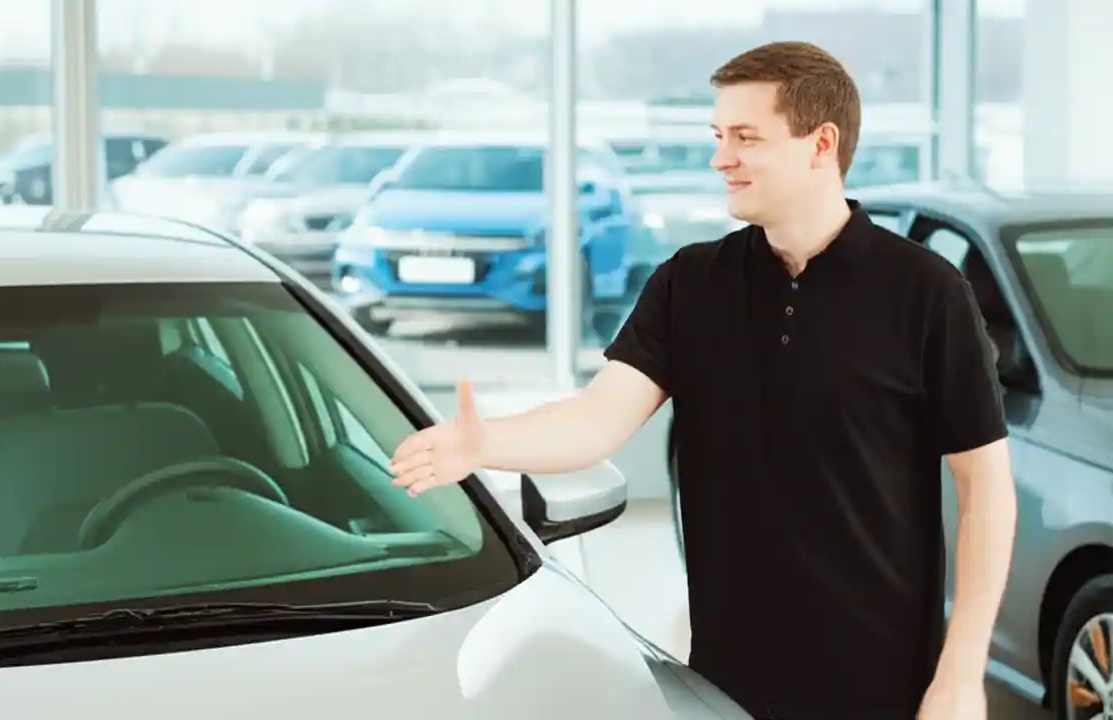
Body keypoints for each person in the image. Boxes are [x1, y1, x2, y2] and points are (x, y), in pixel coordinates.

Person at [388, 41, 1017, 720]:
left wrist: (959, 676)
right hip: (724, 684)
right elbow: (597, 420)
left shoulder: (927, 294)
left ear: (821, 143)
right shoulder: (689, 283)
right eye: (719, 136)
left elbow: (985, 487)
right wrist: (483, 446)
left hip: (887, 687)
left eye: (746, 138)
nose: (721, 159)